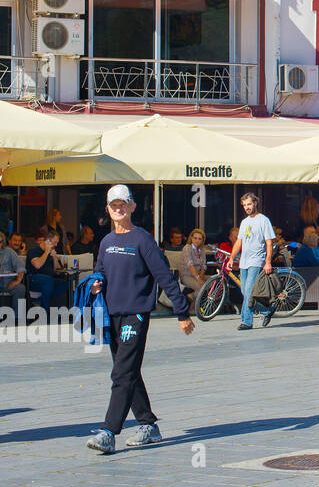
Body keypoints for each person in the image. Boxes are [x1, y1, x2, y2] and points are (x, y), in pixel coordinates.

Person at [85, 185, 195, 455]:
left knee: (121, 372)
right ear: (108, 209)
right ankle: (148, 425)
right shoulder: (107, 242)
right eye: (113, 205)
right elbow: (100, 269)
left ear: (132, 207)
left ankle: (109, 432)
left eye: (123, 204)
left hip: (135, 315)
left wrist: (181, 312)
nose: (118, 209)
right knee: (128, 371)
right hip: (112, 315)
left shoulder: (142, 240)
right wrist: (96, 282)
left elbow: (164, 277)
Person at [228, 192, 278, 330]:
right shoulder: (244, 222)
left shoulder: (263, 220)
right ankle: (266, 310)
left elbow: (269, 243)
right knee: (245, 292)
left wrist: (268, 262)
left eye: (249, 204)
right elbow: (239, 241)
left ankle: (246, 321)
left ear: (255, 203)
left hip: (257, 260)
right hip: (244, 261)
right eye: (244, 205)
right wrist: (232, 258)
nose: (247, 207)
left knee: (249, 291)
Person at [25, 225, 70, 312]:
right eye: (54, 242)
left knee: (66, 283)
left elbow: (57, 272)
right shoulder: (34, 250)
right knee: (48, 281)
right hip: (34, 279)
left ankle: (42, 302)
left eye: (57, 243)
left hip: (49, 280)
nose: (56, 245)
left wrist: (55, 258)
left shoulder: (52, 253)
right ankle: (45, 311)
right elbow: (37, 265)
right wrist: (46, 252)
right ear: (47, 241)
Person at [178, 228, 208, 308]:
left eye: (199, 239)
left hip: (197, 275)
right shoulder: (187, 248)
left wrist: (200, 277)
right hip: (187, 275)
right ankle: (192, 308)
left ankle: (192, 295)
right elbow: (190, 265)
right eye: (195, 238)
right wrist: (198, 279)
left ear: (202, 240)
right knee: (201, 286)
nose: (197, 240)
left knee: (214, 281)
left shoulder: (202, 250)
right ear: (191, 238)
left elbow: (204, 266)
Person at [0, 232, 26, 308]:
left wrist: (17, 281)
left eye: (0, 242)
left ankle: (17, 317)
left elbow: (20, 266)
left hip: (7, 284)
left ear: (3, 242)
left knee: (20, 288)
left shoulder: (9, 251)